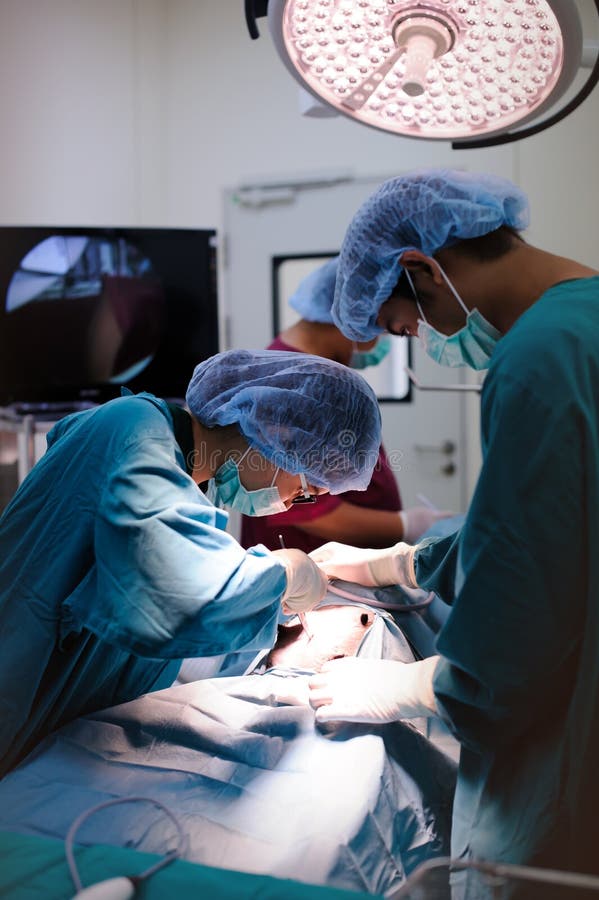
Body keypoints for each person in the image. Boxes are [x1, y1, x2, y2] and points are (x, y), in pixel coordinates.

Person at [305, 168, 599, 884]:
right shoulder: (584, 321)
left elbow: (521, 598)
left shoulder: (538, 357)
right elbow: (554, 523)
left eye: (406, 323)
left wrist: (414, 688)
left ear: (421, 269)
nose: (420, 337)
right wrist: (396, 564)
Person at [0, 348, 381, 778]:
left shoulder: (183, 481)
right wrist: (282, 574)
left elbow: (140, 640)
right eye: (309, 484)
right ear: (275, 430)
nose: (299, 500)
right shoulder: (132, 432)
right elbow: (181, 599)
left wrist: (267, 633)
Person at [241, 257, 450, 555]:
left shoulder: (319, 374)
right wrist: (405, 525)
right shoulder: (290, 384)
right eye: (379, 327)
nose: (379, 339)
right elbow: (308, 511)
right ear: (348, 317)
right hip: (309, 575)